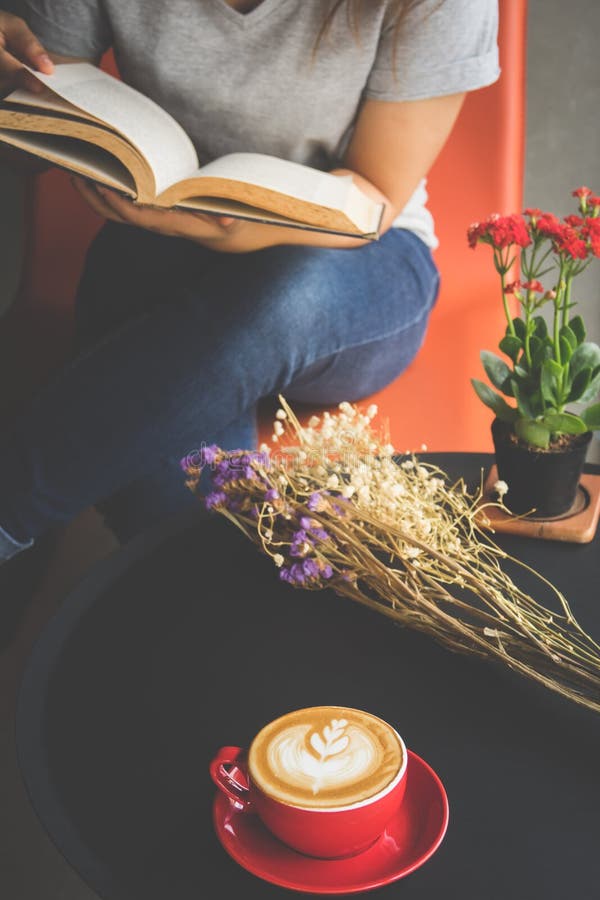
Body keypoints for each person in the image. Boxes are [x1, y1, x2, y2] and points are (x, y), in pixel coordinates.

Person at [0, 1, 499, 576]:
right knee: (178, 528)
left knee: (278, 300)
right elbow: (39, 127)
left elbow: (374, 197)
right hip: (161, 233)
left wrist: (236, 227)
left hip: (354, 257)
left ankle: (12, 508)